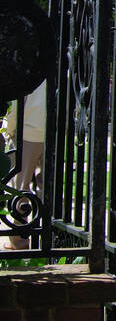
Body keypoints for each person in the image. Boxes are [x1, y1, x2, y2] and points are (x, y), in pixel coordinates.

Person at [1, 79, 47, 250]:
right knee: (46, 187)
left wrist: (8, 130)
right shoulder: (57, 70)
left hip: (26, 133)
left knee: (20, 188)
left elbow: (14, 107)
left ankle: (19, 241)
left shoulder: (29, 71)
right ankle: (49, 236)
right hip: (49, 131)